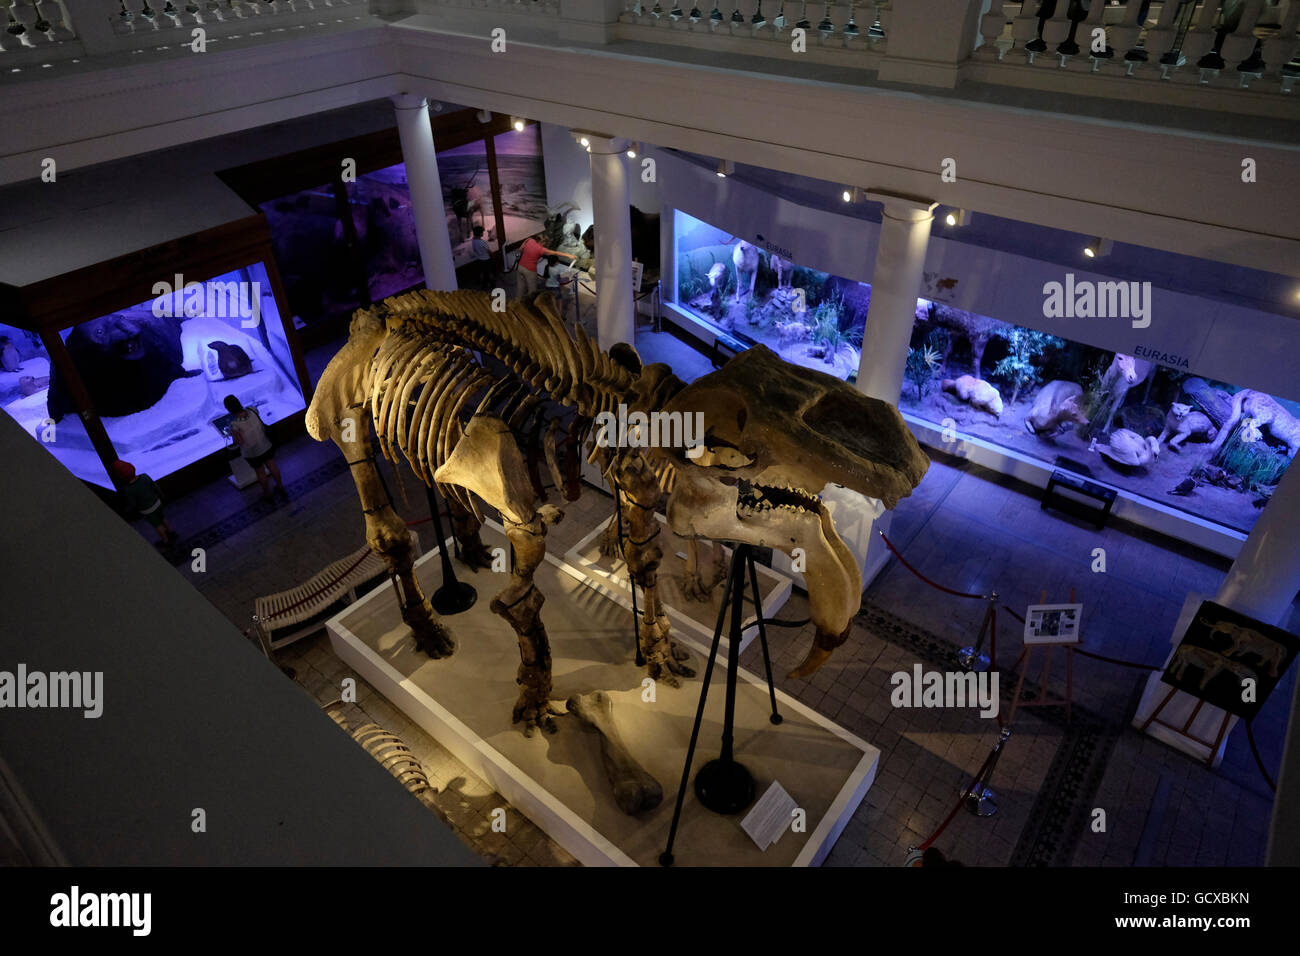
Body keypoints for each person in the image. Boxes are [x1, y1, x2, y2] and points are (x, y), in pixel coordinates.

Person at [224, 395, 286, 501]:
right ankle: (280, 486)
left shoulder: (234, 425)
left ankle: (267, 493)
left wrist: (231, 434)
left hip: (252, 453)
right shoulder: (252, 410)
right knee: (272, 466)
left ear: (229, 409)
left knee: (260, 472)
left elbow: (240, 442)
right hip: (265, 444)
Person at [111, 459, 178, 546]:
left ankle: (166, 541)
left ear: (121, 477)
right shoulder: (144, 477)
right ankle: (171, 532)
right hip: (157, 503)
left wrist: (128, 509)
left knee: (157, 525)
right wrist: (161, 495)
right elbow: (155, 487)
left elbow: (133, 503)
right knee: (162, 517)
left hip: (148, 510)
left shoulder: (128, 489)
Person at [517, 232, 575, 296]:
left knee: (520, 288)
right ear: (544, 242)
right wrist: (568, 255)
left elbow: (520, 249)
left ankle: (518, 303)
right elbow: (555, 253)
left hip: (520, 266)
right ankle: (529, 304)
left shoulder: (529, 240)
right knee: (532, 292)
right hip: (530, 271)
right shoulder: (541, 249)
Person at [470, 224, 494, 291]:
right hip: (486, 259)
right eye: (482, 232)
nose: (483, 233)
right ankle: (490, 284)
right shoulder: (482, 242)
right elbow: (489, 251)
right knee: (488, 272)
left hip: (480, 259)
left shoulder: (473, 241)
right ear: (480, 233)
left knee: (483, 272)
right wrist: (492, 256)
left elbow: (474, 250)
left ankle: (484, 284)